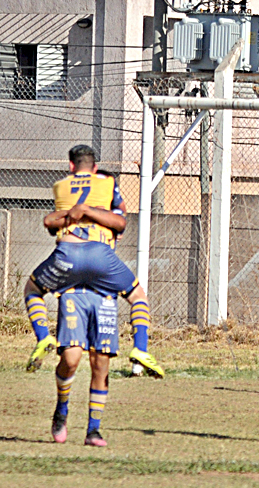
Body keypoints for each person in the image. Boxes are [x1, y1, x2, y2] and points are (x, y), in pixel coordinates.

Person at [23, 145, 164, 380]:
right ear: (95, 168)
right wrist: (89, 211)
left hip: (69, 257)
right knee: (137, 296)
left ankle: (43, 335)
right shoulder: (107, 188)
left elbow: (49, 221)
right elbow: (119, 221)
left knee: (32, 290)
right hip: (99, 260)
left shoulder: (62, 188)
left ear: (71, 167)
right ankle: (140, 347)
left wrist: (80, 211)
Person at [49, 286, 118, 446]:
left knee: (101, 364)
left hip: (103, 294)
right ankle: (61, 409)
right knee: (71, 359)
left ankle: (93, 430)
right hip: (74, 293)